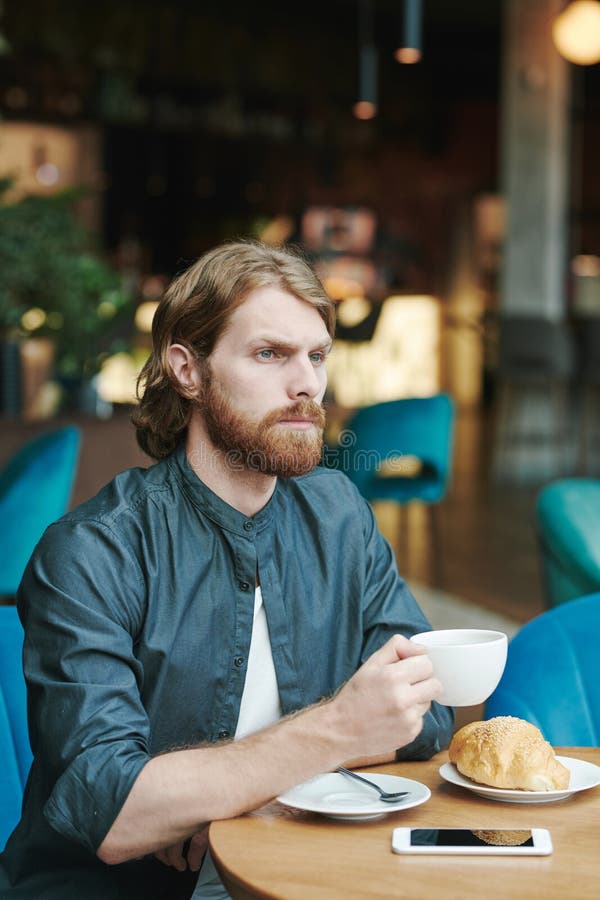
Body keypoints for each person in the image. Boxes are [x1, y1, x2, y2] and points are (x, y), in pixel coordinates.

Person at [0, 240, 454, 899]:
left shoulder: (339, 516)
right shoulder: (94, 550)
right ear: (188, 370)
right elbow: (117, 811)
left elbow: (428, 705)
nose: (306, 384)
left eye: (316, 356)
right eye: (270, 354)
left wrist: (228, 793)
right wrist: (333, 731)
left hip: (293, 873)